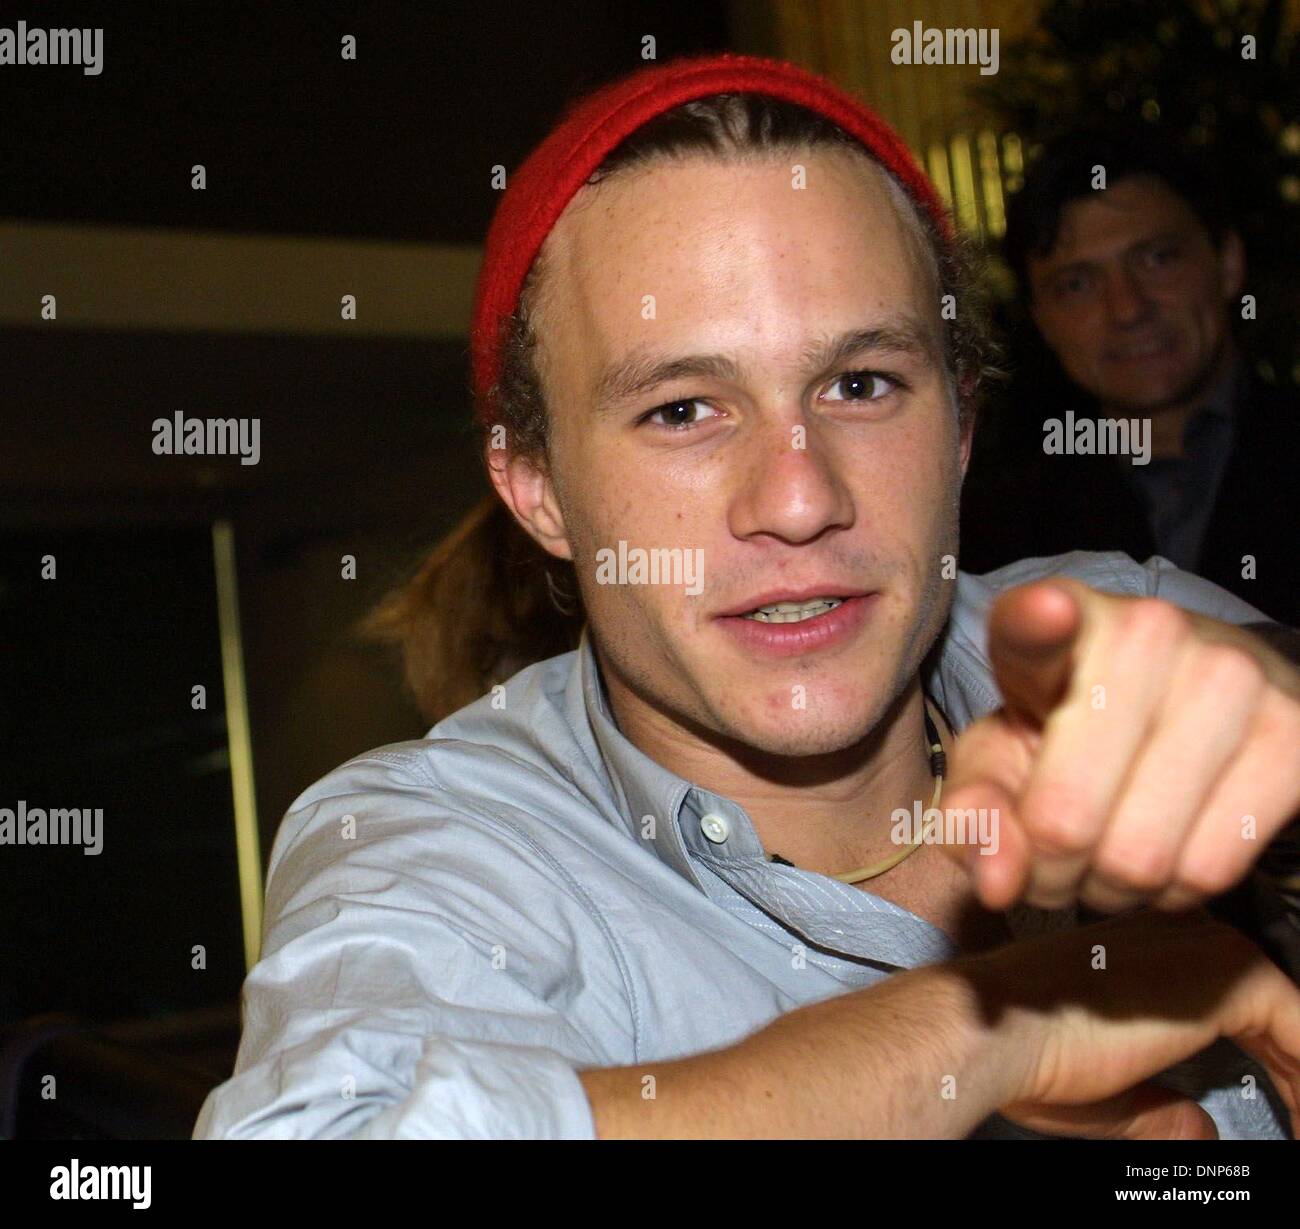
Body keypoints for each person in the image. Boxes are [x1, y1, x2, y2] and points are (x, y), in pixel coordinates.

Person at [194, 54, 1300, 1141]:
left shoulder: (1112, 618)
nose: (799, 496)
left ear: (960, 427)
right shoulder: (442, 842)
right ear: (536, 486)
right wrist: (979, 1030)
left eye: (860, 384)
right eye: (682, 408)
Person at [961, 127, 1300, 625]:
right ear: (1040, 318)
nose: (1126, 308)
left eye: (1157, 258)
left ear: (1227, 263)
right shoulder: (994, 526)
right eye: (1077, 284)